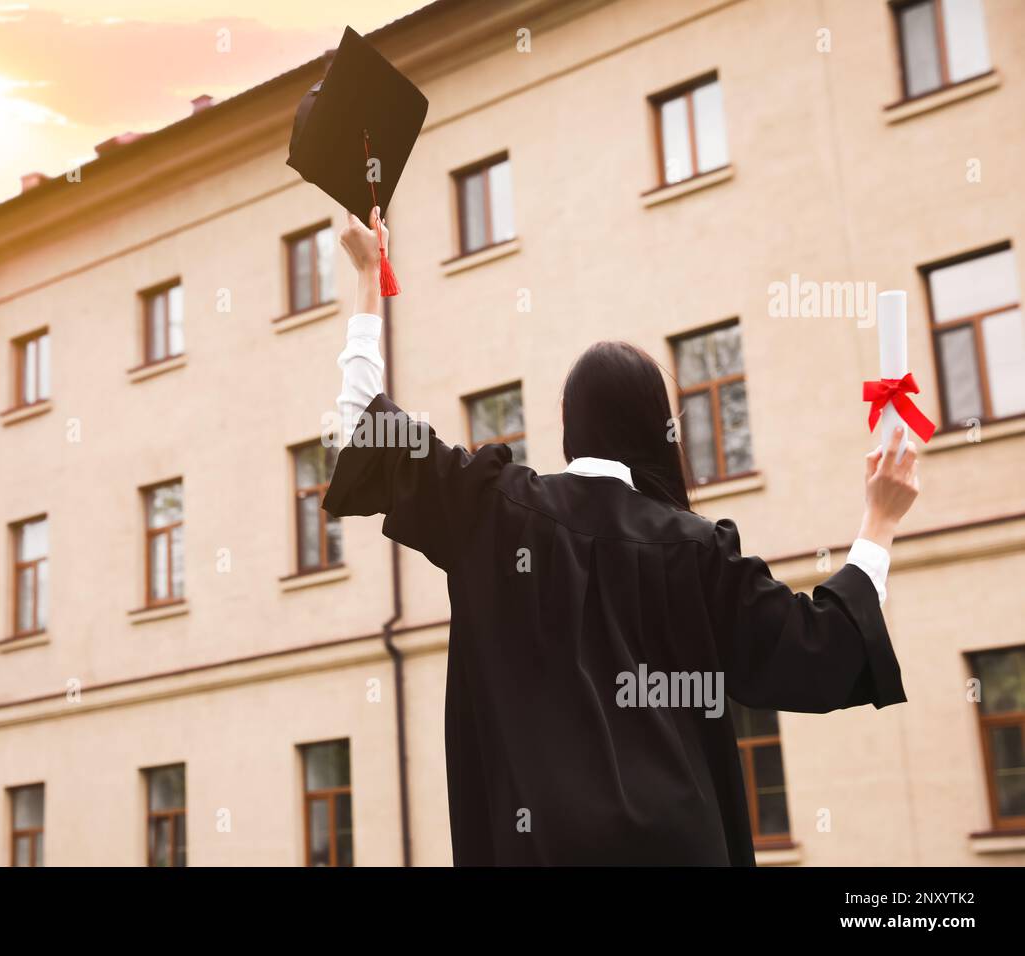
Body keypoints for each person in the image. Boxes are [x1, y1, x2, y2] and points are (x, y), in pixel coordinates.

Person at [322, 208, 919, 866]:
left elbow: (366, 433)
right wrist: (880, 520)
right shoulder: (699, 553)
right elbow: (825, 650)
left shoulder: (494, 512)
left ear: (566, 424)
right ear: (658, 431)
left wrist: (368, 282)